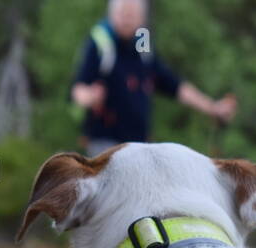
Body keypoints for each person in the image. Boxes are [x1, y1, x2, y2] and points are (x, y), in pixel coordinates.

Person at [70, 0, 237, 154]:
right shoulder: (100, 42)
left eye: (131, 14)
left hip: (139, 144)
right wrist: (89, 96)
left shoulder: (143, 47)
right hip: (105, 143)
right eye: (122, 13)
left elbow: (175, 85)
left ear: (142, 18)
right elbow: (78, 89)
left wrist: (212, 108)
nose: (126, 19)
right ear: (111, 14)